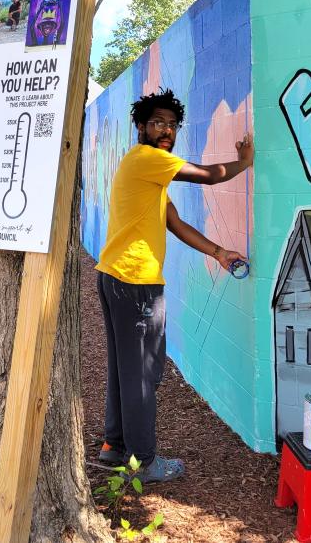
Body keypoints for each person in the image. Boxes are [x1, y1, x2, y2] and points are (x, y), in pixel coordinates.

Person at [95, 88, 253, 483]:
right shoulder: (150, 159)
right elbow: (208, 177)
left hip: (115, 277)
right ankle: (143, 463)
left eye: (172, 124)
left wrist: (218, 252)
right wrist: (244, 162)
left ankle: (114, 448)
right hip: (134, 283)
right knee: (143, 375)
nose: (167, 130)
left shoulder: (145, 168)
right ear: (141, 128)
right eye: (158, 123)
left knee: (124, 370)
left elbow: (176, 224)